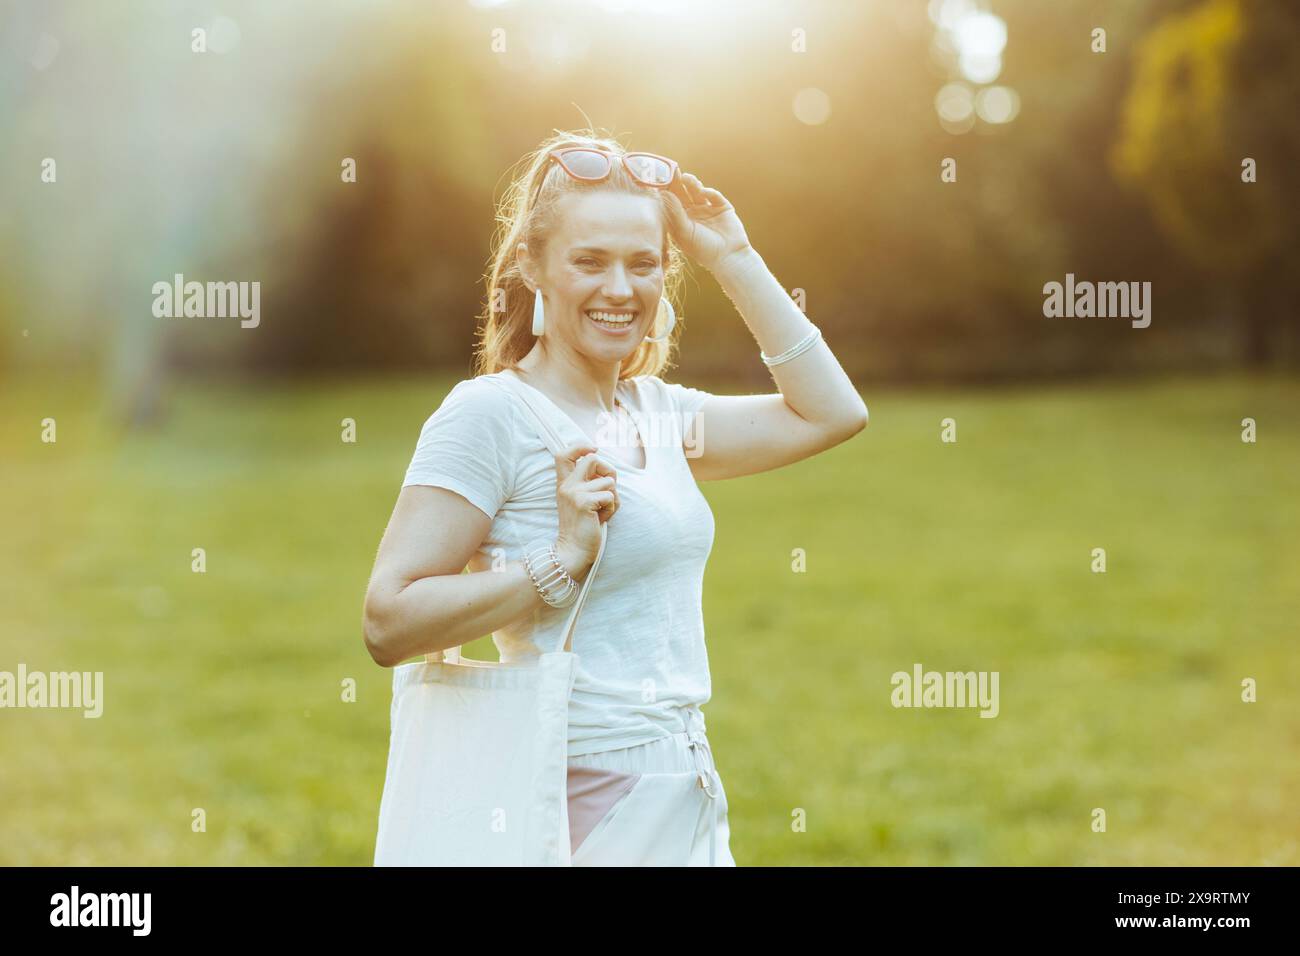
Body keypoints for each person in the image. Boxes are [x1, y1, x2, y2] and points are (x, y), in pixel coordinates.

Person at [362, 130, 869, 865]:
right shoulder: (490, 416)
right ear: (532, 266)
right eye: (590, 261)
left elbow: (832, 413)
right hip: (578, 803)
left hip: (683, 784)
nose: (621, 289)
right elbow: (387, 620)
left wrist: (732, 258)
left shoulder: (657, 414)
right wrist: (559, 560)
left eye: (645, 264)